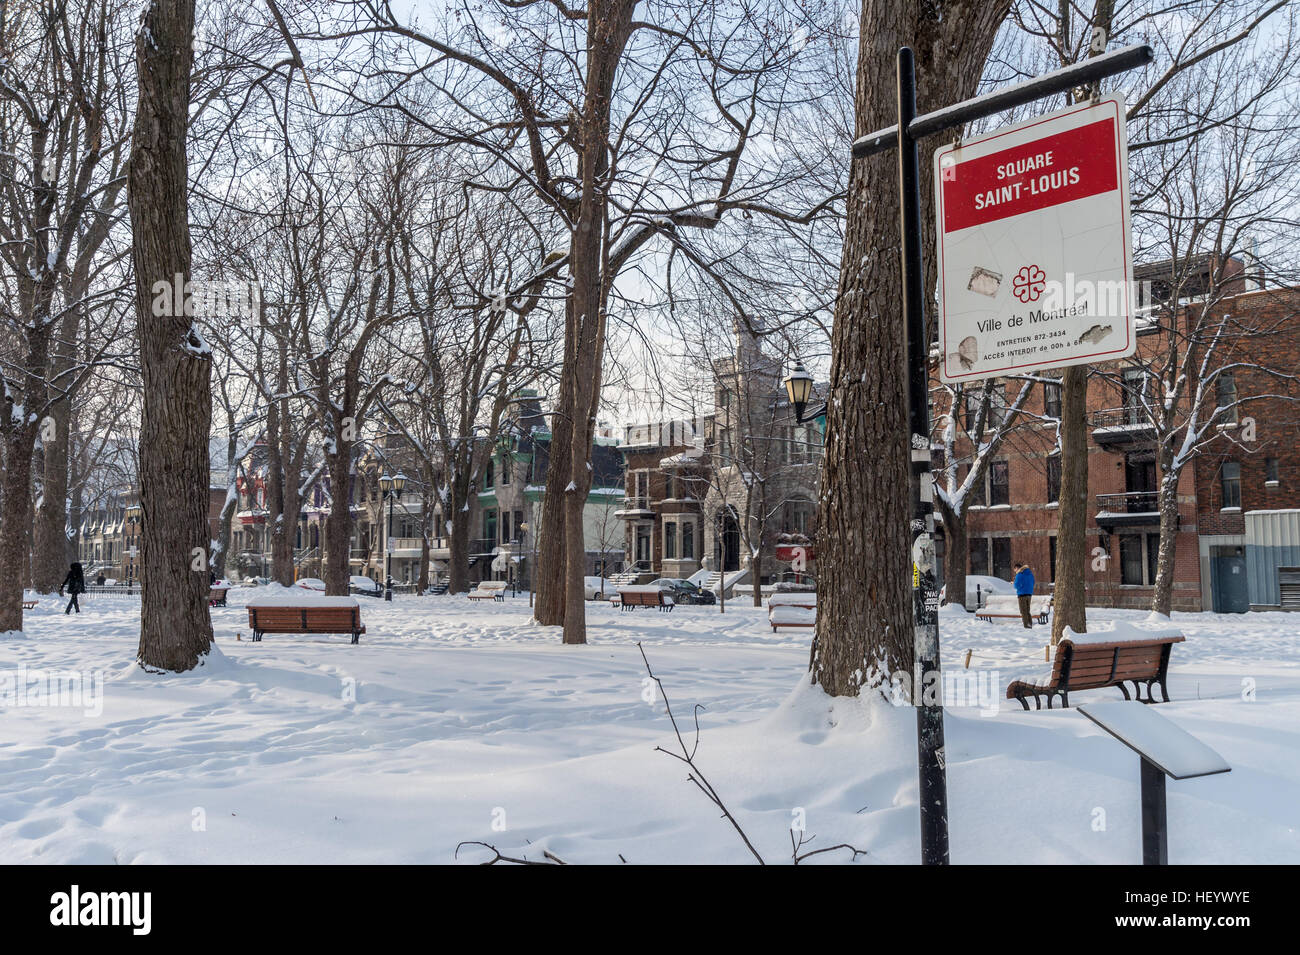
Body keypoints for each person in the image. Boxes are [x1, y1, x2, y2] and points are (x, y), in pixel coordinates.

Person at [1013, 562, 1036, 629]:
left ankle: (1026, 626)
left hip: (1022, 594)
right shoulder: (1030, 574)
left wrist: (1014, 583)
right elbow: (1033, 582)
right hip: (1029, 594)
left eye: (1015, 569)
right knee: (1027, 611)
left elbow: (1016, 585)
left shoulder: (1019, 574)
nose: (1015, 571)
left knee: (1023, 611)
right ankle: (1030, 624)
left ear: (1017, 568)